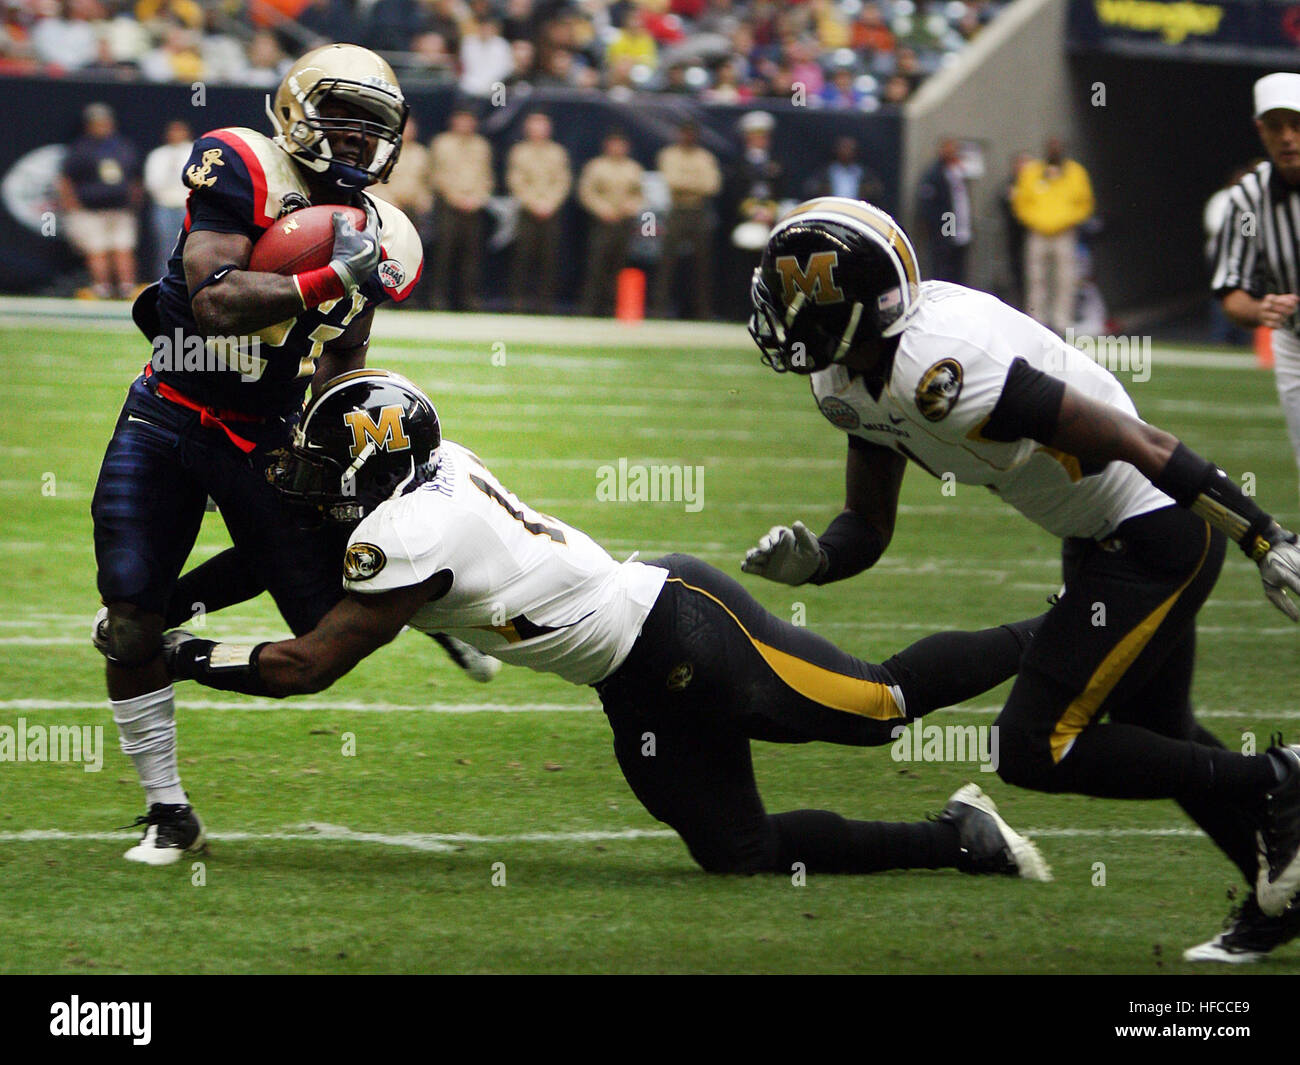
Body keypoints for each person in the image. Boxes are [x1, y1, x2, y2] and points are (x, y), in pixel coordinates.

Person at [158, 368, 1052, 882]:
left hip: (684, 629)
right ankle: (960, 838)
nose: (313, 485)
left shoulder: (410, 531)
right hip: (632, 677)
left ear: (375, 469)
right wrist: (175, 608)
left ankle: (1062, 635)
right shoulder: (429, 471)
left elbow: (309, 664)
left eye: (328, 468)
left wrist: (184, 653)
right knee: (739, 853)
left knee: (879, 704)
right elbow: (291, 558)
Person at [745, 196, 1300, 961]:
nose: (777, 319)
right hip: (1098, 537)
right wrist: (819, 561)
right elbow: (867, 525)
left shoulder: (943, 363)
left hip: (1157, 532)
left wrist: (1262, 534)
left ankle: (1279, 772)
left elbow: (1135, 439)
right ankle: (1280, 890)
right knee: (1164, 731)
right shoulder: (848, 378)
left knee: (1033, 745)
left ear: (848, 310)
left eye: (793, 303)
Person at [91, 43, 422, 865]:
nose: (355, 137)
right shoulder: (241, 162)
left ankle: (178, 628)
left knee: (324, 627)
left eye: (370, 126)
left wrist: (330, 437)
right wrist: (325, 278)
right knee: (127, 619)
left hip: (266, 431)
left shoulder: (383, 231)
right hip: (167, 410)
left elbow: (346, 349)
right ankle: (168, 809)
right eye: (340, 116)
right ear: (297, 109)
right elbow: (214, 301)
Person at [1211, 73, 1300, 500]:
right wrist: (1260, 311)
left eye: (1296, 125)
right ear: (1259, 129)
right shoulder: (1248, 199)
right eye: (1276, 126)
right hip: (1294, 341)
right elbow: (1232, 291)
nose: (1287, 138)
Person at [1011, 137, 1093, 335]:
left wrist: (1068, 220)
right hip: (1037, 232)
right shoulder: (1032, 173)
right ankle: (1037, 319)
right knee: (1036, 277)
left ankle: (1061, 320)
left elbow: (1085, 202)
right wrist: (1034, 221)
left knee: (1065, 278)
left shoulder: (1075, 172)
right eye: (1051, 147)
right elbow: (1021, 202)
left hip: (1065, 232)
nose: (1054, 151)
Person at [59, 102, 141, 300]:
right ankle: (102, 288)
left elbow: (135, 177)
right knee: (97, 250)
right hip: (90, 211)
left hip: (120, 209)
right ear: (89, 125)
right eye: (97, 122)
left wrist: (134, 202)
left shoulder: (122, 146)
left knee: (123, 248)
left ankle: (127, 288)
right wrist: (72, 205)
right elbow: (66, 179)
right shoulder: (80, 149)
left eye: (105, 122)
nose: (102, 126)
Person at [652, 120, 721, 320]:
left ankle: (702, 311)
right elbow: (671, 181)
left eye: (691, 133)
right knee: (666, 262)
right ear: (678, 134)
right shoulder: (669, 154)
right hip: (677, 210)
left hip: (699, 211)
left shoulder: (705, 157)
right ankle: (659, 309)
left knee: (702, 265)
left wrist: (685, 182)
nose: (688, 137)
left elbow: (712, 185)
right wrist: (695, 182)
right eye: (684, 133)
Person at [428, 105, 493, 311]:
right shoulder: (442, 143)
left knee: (471, 256)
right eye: (461, 119)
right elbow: (435, 174)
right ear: (453, 121)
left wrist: (477, 199)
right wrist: (455, 197)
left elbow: (486, 176)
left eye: (469, 119)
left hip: (474, 206)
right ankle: (438, 297)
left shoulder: (481, 146)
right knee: (444, 254)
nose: (465, 124)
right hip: (448, 205)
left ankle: (468, 298)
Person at [506, 110, 571, 314]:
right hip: (527, 211)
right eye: (534, 125)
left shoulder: (557, 152)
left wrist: (550, 203)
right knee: (523, 258)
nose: (538, 129)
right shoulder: (519, 152)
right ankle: (518, 301)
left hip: (551, 210)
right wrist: (533, 203)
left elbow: (562, 181)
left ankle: (545, 303)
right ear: (527, 128)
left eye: (542, 125)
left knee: (549, 259)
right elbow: (516, 180)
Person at [370, 114, 434, 308]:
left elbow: (426, 183)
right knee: (385, 254)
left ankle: (409, 296)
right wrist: (389, 203)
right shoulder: (383, 150)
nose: (409, 131)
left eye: (411, 126)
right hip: (388, 209)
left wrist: (423, 202)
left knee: (412, 254)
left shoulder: (421, 153)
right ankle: (381, 297)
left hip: (412, 210)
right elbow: (374, 181)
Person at [577, 129, 643, 316]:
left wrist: (629, 207)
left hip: (624, 222)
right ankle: (589, 309)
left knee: (619, 266)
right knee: (596, 266)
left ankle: (614, 308)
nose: (617, 148)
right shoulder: (596, 166)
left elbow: (639, 195)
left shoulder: (633, 168)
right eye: (614, 144)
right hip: (602, 222)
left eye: (620, 144)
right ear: (607, 145)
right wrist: (602, 209)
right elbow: (587, 192)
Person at [142, 119, 193, 282]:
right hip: (163, 206)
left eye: (180, 131)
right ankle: (166, 282)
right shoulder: (158, 155)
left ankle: (190, 281)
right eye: (173, 131)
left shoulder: (194, 151)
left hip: (188, 206)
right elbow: (151, 183)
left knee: (190, 246)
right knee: (165, 248)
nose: (176, 135)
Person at [916, 137, 972, 285]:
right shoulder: (934, 174)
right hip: (946, 225)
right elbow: (928, 205)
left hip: (960, 226)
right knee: (943, 264)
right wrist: (943, 230)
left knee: (958, 267)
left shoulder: (958, 172)